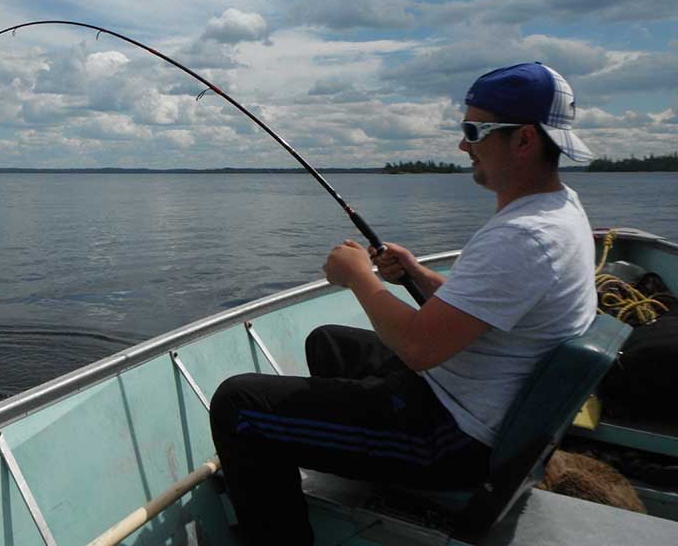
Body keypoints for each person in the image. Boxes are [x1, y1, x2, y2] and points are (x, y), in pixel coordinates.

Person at [209, 62, 598, 545]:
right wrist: (417, 274)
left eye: (474, 130)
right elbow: (490, 309)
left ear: (523, 141)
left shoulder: (525, 237)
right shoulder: (557, 212)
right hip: (472, 401)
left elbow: (417, 347)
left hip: (454, 439)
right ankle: (349, 450)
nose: (463, 145)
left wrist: (358, 278)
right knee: (329, 342)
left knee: (238, 404)